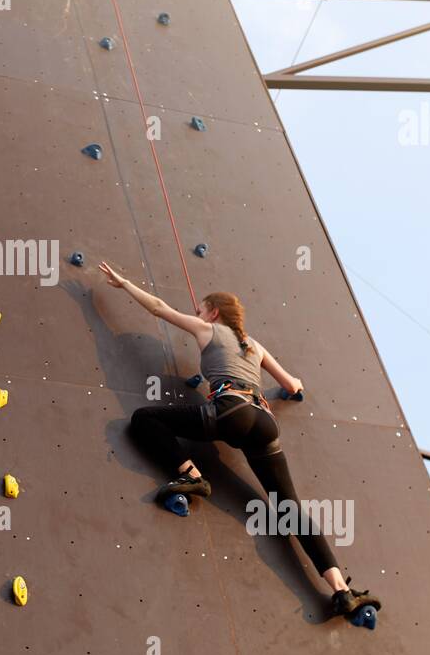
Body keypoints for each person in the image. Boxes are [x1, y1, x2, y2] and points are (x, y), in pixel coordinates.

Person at [98, 261, 381, 621]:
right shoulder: (254, 346)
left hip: (229, 412)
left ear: (213, 312)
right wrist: (291, 390)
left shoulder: (208, 330)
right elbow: (294, 385)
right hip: (264, 423)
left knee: (145, 419)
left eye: (199, 309)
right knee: (289, 508)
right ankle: (342, 591)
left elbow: (158, 308)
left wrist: (123, 284)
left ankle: (191, 475)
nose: (195, 314)